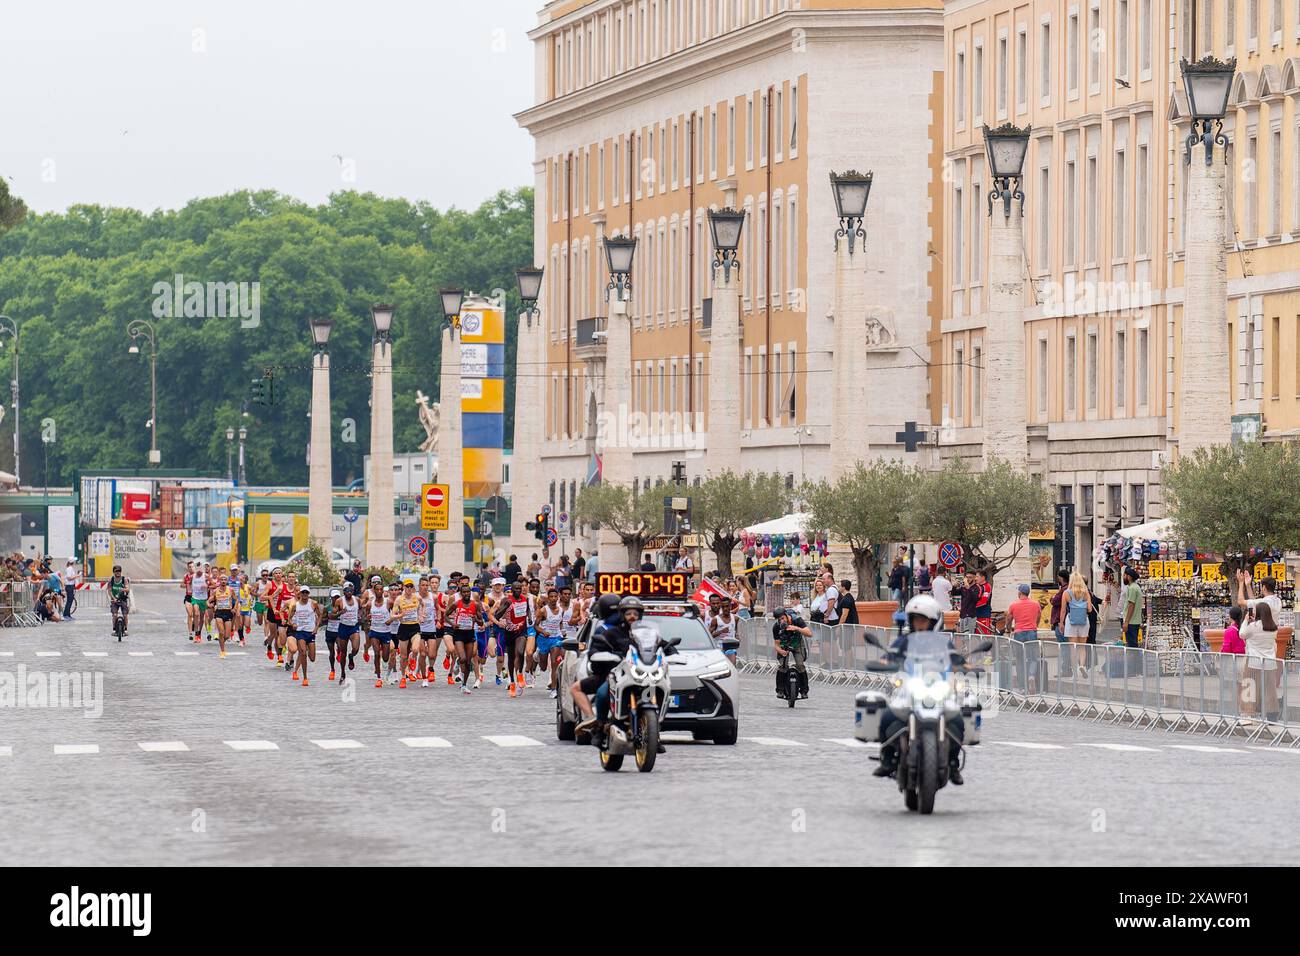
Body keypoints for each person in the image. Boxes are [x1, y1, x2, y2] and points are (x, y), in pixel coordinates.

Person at [872, 594, 966, 785]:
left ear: (932, 622)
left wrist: (968, 666)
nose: (919, 623)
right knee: (887, 716)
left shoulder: (942, 642)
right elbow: (890, 656)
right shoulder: (904, 641)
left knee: (957, 719)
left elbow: (956, 659)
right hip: (909, 689)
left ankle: (953, 763)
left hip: (938, 689)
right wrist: (883, 662)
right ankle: (888, 758)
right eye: (916, 619)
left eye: (923, 619)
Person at [573, 595, 646, 739]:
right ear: (622, 614)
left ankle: (653, 734)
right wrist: (607, 656)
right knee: (602, 692)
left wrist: (670, 651)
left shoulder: (644, 632)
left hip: (641, 674)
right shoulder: (612, 632)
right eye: (628, 613)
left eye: (635, 614)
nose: (632, 617)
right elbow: (596, 649)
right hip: (615, 674)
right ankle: (599, 725)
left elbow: (658, 644)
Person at [771, 606, 811, 700]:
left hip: (797, 643)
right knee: (783, 666)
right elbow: (776, 644)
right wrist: (780, 651)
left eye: (782, 618)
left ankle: (804, 691)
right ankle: (780, 690)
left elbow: (809, 633)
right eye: (778, 619)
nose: (781, 621)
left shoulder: (797, 620)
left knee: (800, 665)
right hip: (784, 644)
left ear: (786, 615)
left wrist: (796, 628)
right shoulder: (776, 627)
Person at [1062, 571, 1094, 677]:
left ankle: (1074, 671)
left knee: (1073, 647)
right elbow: (1089, 609)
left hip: (1071, 622)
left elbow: (1063, 610)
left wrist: (1060, 623)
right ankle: (1082, 666)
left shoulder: (1066, 593)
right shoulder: (1085, 593)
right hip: (1084, 621)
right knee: (1082, 647)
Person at [1120, 565, 1143, 648]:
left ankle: (1134, 661)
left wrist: (1126, 622)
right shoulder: (1135, 587)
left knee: (1132, 646)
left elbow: (1131, 605)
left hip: (1131, 623)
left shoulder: (1132, 588)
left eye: (1124, 575)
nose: (1123, 577)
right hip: (1133, 622)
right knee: (1132, 644)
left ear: (1129, 577)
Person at [108, 565, 130, 637]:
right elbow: (109, 591)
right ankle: (114, 629)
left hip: (123, 599)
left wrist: (123, 589)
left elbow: (128, 588)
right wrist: (113, 598)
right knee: (114, 615)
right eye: (116, 571)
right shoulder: (111, 580)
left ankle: (126, 629)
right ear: (113, 572)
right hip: (114, 600)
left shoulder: (124, 579)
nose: (118, 573)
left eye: (119, 571)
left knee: (125, 615)